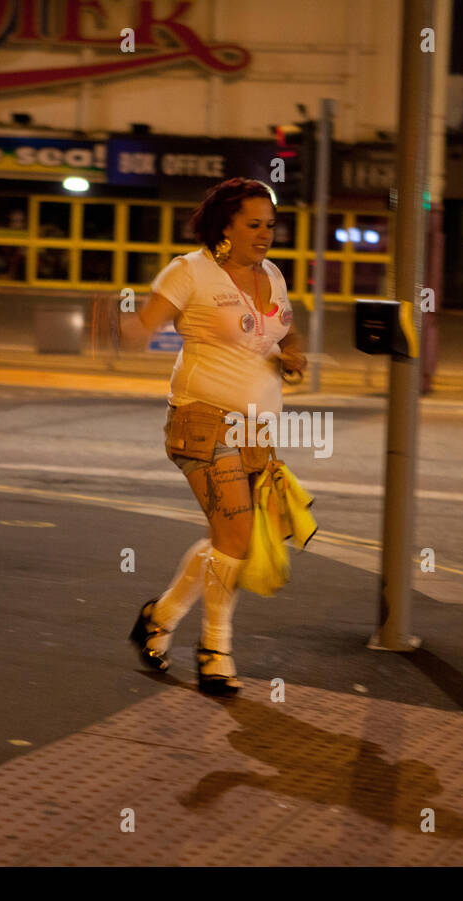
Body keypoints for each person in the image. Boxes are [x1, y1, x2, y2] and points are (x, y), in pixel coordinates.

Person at [107, 177, 307, 696]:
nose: (264, 234)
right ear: (225, 224)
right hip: (202, 421)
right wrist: (115, 324)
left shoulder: (274, 274)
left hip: (256, 429)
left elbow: (284, 327)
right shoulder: (189, 271)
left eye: (270, 225)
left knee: (227, 543)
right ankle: (215, 651)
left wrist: (291, 354)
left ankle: (160, 617)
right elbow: (142, 327)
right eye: (253, 224)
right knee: (236, 539)